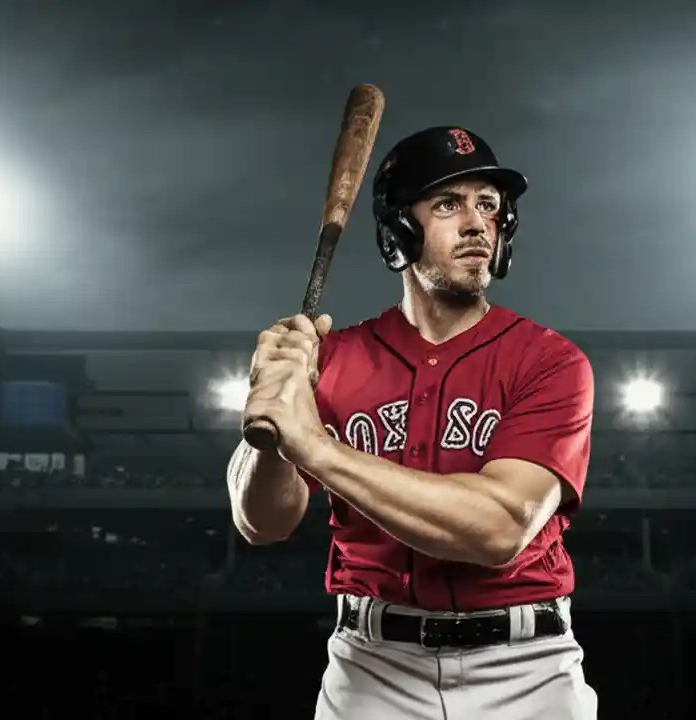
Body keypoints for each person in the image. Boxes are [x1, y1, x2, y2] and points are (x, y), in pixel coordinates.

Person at [227, 126, 598, 719]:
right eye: (448, 204)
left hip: (527, 671)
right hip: (372, 668)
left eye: (489, 205)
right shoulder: (335, 358)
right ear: (400, 229)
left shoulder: (550, 361)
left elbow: (498, 530)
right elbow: (261, 523)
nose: (477, 222)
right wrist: (270, 413)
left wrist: (316, 448)